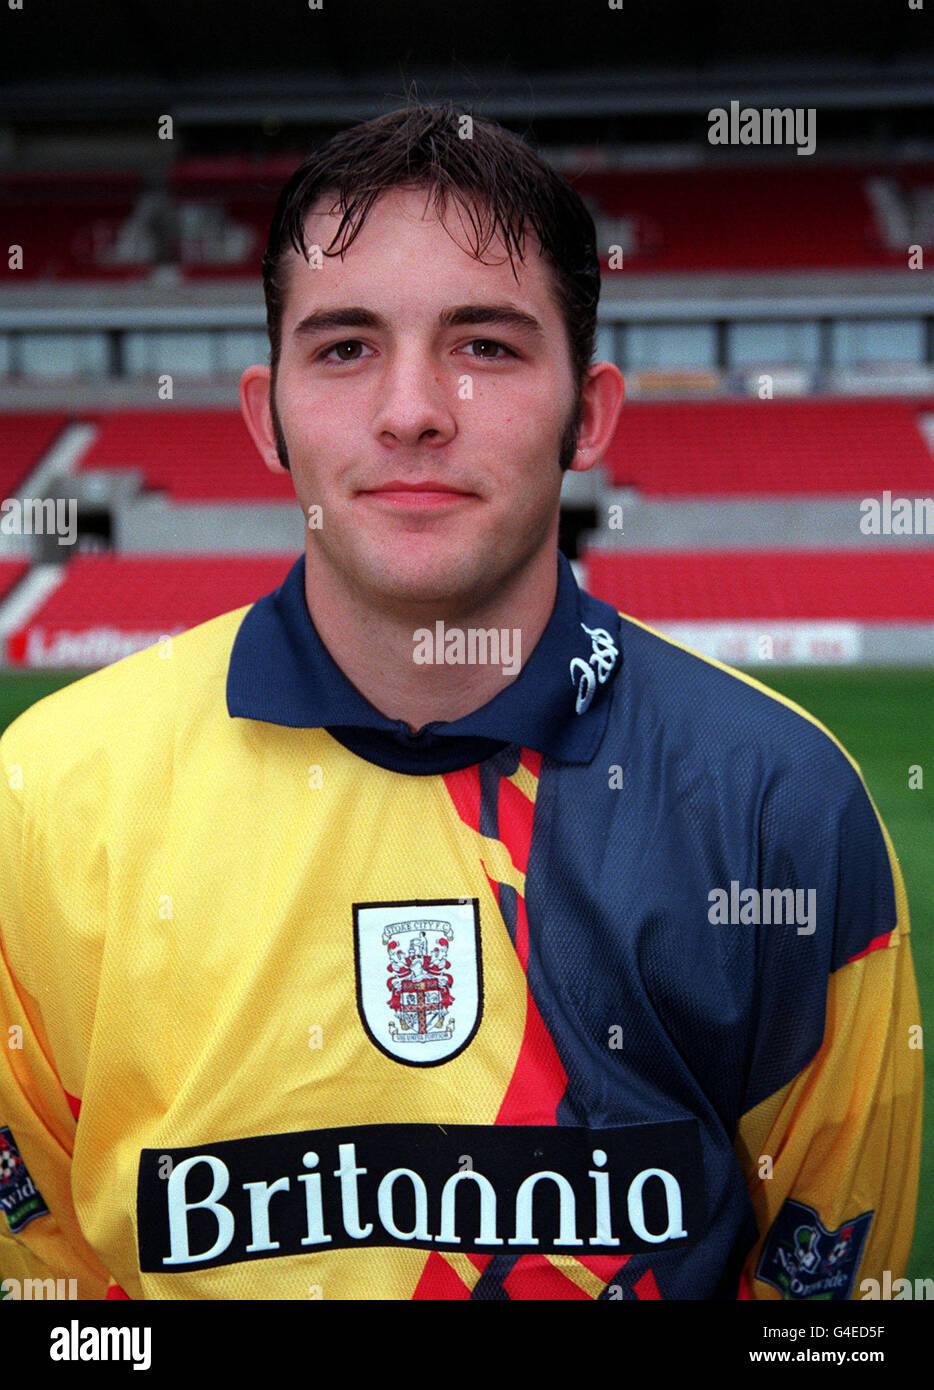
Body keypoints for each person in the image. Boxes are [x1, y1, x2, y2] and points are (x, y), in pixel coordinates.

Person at [0, 103, 921, 1302]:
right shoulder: (47, 798)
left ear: (588, 414)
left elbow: (822, 1301)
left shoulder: (777, 804)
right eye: (343, 348)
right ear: (263, 419)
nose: (412, 409)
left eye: (485, 345)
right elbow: (50, 1279)